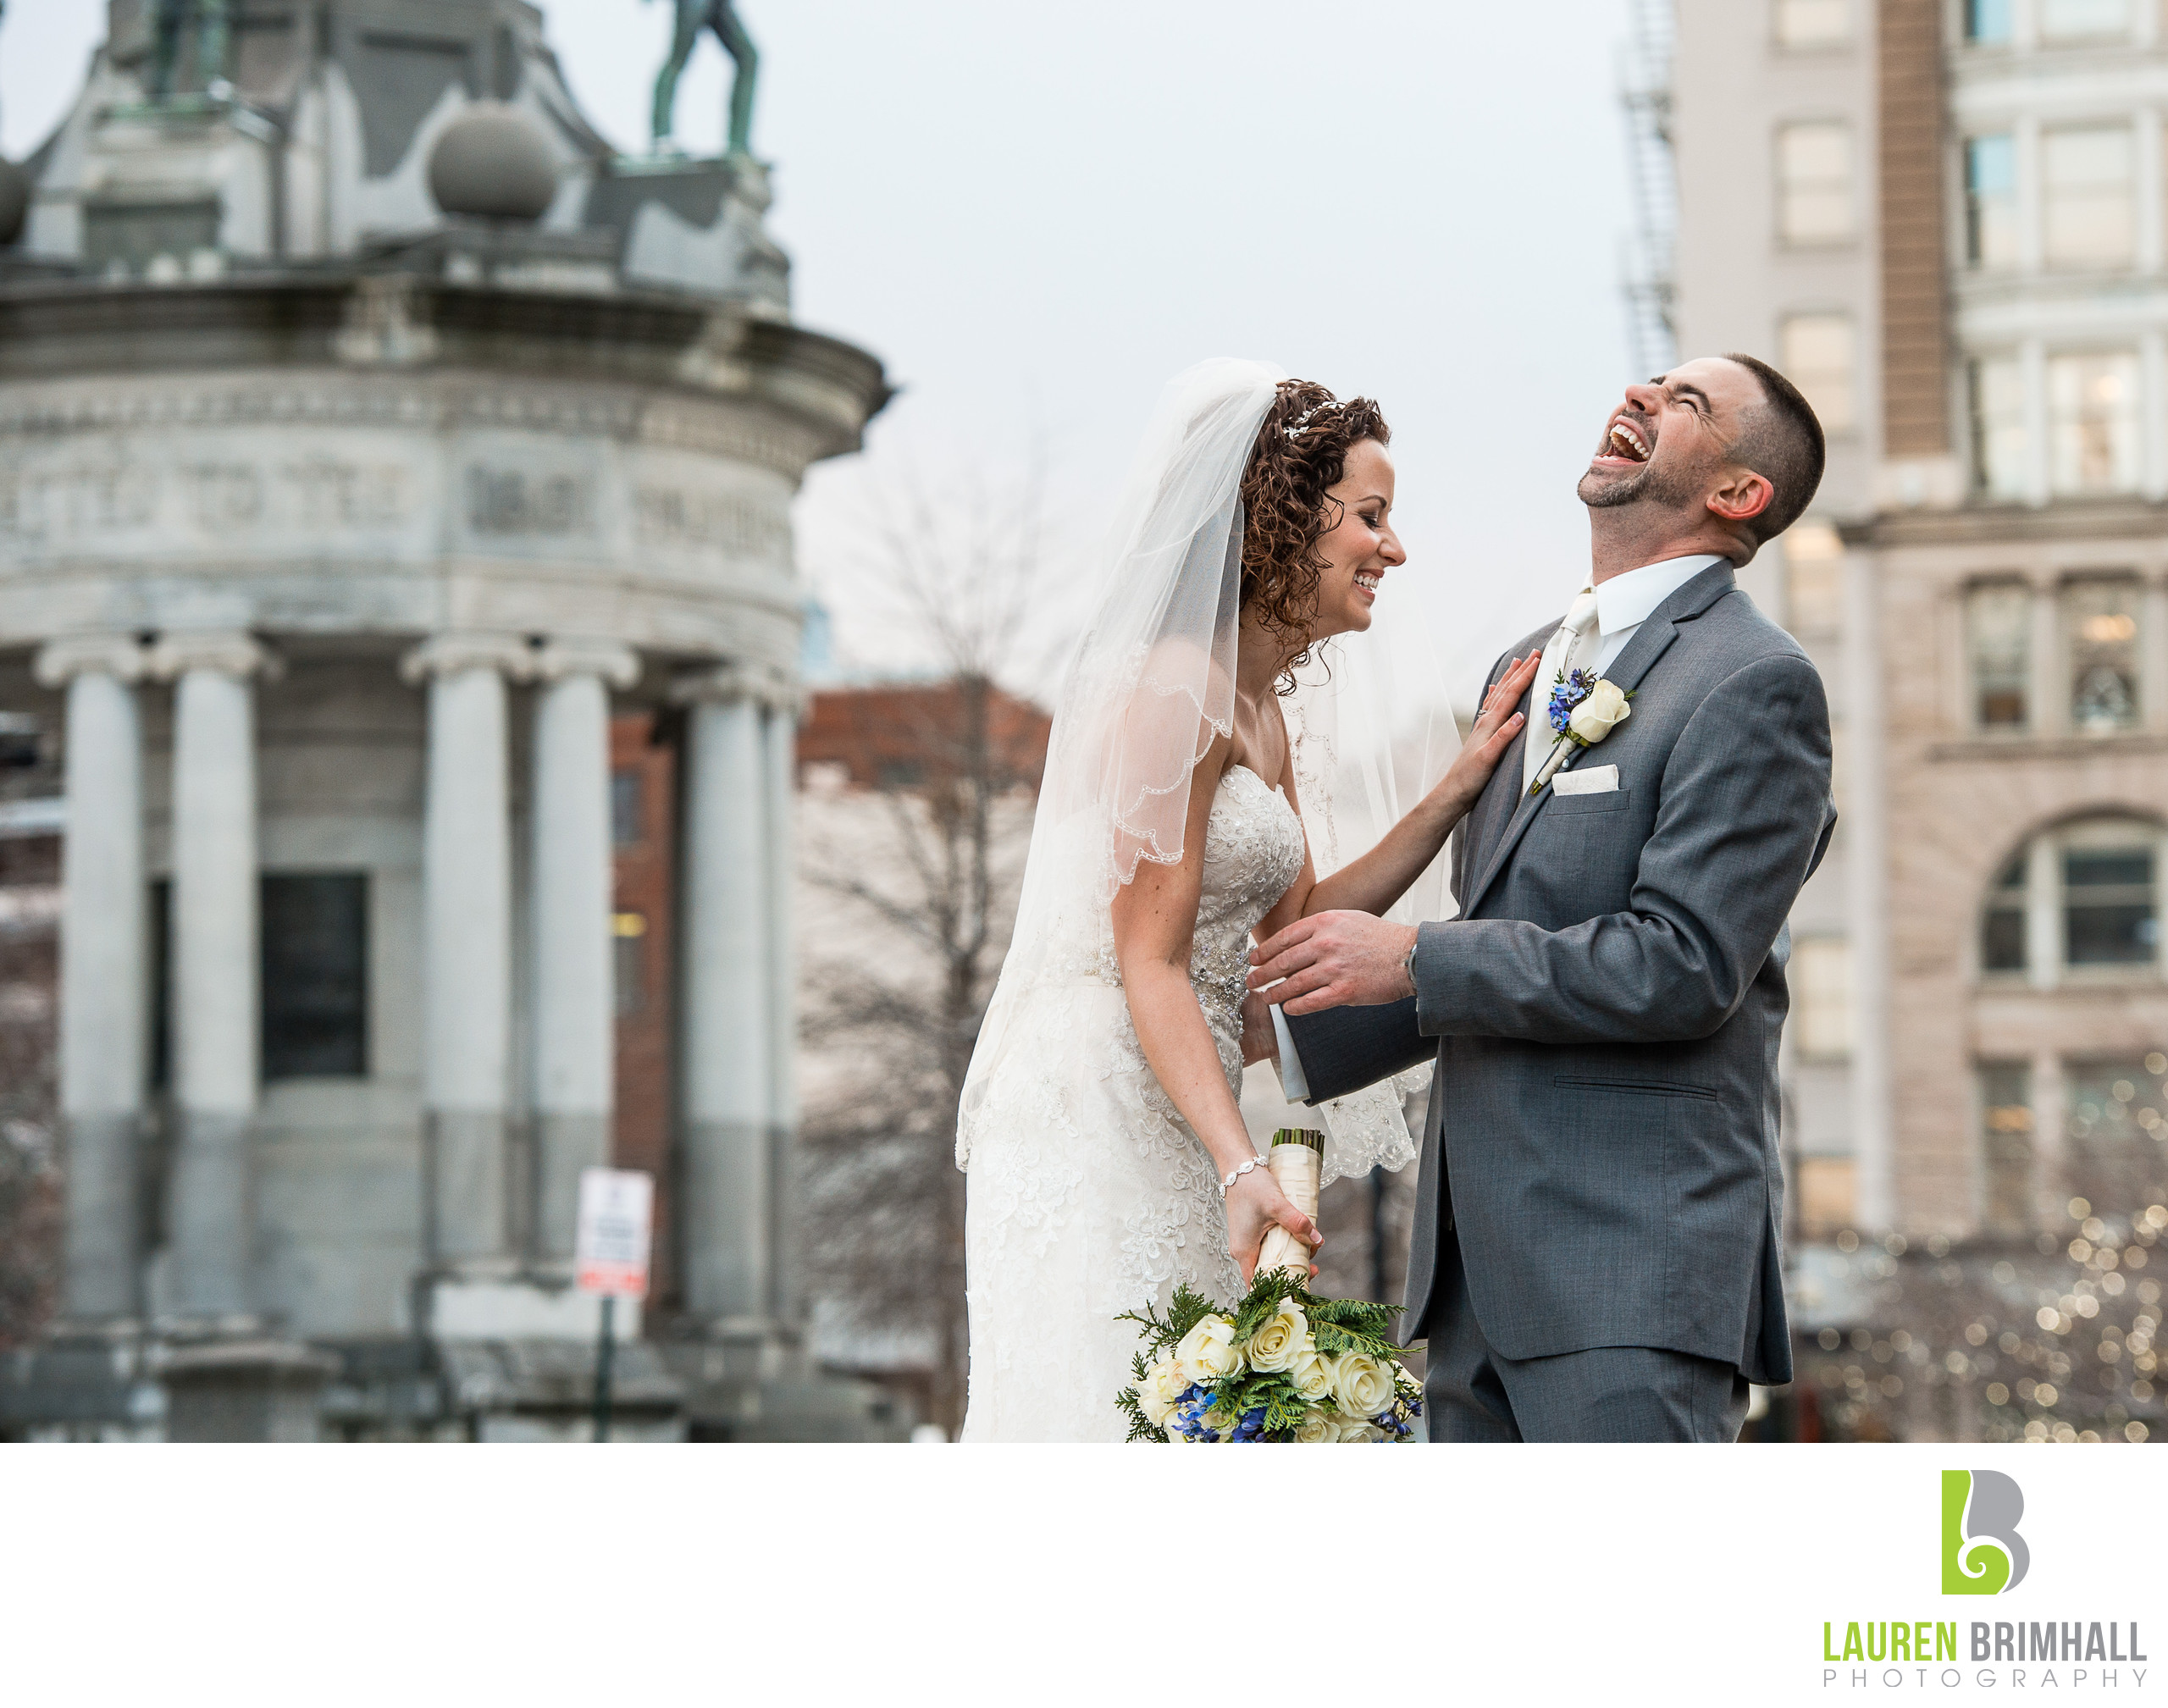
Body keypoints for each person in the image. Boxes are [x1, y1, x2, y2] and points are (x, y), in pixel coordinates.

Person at [1246, 355, 1837, 1443]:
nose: (1642, 397)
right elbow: (1518, 941)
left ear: (1739, 495)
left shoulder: (1755, 682)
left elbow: (1682, 964)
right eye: (1651, 382)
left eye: (1688, 402)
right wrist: (1270, 1034)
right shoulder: (1525, 665)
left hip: (1632, 1272)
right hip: (1472, 1277)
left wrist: (1417, 958)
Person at [955, 359, 1538, 1441]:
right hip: (1099, 1092)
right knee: (1104, 1398)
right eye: (1370, 516)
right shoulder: (1175, 690)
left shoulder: (1263, 710)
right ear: (1279, 516)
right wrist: (1240, 1161)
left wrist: (1459, 784)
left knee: (1178, 1413)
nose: (1393, 549)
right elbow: (1151, 959)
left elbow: (1302, 926)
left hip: (1186, 1088)